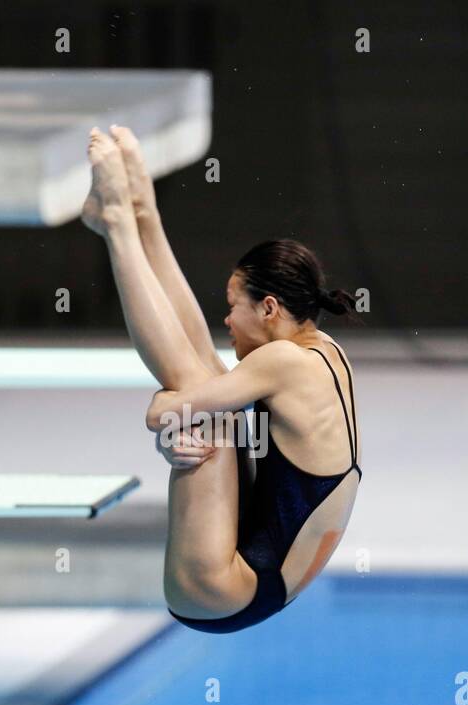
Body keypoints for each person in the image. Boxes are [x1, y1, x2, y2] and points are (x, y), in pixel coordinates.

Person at [81, 126, 361, 633]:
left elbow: (171, 409)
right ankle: (141, 214)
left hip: (222, 589)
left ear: (270, 307)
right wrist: (176, 423)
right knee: (209, 394)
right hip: (244, 578)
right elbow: (217, 422)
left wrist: (165, 413)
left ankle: (121, 224)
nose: (227, 321)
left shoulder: (285, 364)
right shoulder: (323, 352)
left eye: (234, 309)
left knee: (199, 393)